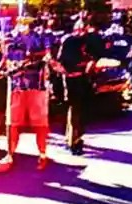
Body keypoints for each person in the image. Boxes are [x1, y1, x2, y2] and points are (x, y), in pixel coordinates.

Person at [0, 16, 52, 172]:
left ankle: (43, 155)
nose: (23, 24)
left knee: (40, 124)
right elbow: (5, 61)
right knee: (12, 123)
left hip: (36, 86)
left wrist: (34, 60)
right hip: (16, 86)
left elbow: (48, 56)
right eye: (21, 21)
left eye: (26, 22)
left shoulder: (41, 38)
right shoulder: (11, 40)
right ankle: (9, 156)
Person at [55, 20, 104, 155]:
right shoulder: (68, 41)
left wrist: (91, 64)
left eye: (84, 27)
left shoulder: (89, 40)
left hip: (83, 78)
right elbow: (60, 60)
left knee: (81, 110)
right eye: (80, 27)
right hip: (71, 78)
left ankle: (75, 138)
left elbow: (95, 56)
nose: (82, 30)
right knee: (74, 109)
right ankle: (73, 140)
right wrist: (65, 72)